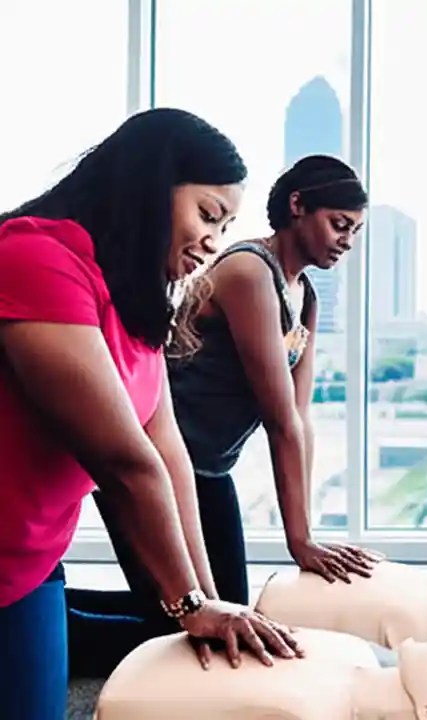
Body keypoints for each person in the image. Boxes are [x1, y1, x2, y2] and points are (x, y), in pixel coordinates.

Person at [0, 108, 301, 720]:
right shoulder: (36, 256)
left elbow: (167, 451)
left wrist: (216, 607)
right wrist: (187, 604)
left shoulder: (135, 297)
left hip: (30, 561)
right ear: (148, 188)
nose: (215, 241)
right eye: (207, 215)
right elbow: (124, 463)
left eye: (227, 223)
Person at [66, 155, 379, 678]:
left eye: (355, 230)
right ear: (298, 207)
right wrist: (298, 541)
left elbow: (299, 418)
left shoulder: (305, 296)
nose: (347, 240)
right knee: (187, 627)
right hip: (152, 464)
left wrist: (309, 533)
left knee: (231, 614)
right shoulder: (248, 272)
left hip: (209, 469)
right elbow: (278, 419)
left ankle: (44, 604)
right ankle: (30, 620)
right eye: (339, 224)